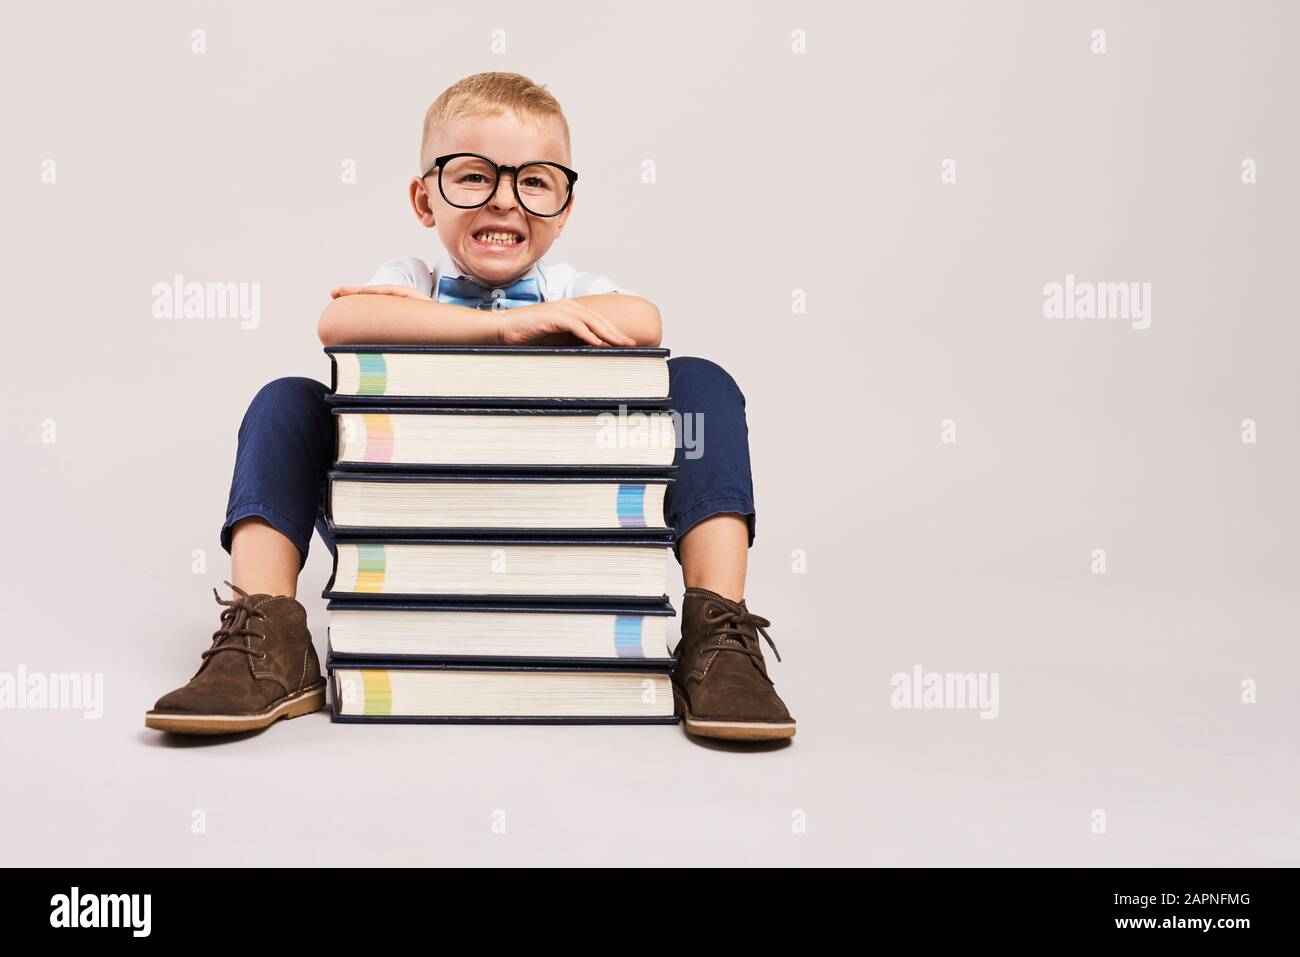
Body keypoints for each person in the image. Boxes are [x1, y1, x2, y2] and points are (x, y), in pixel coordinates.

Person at [146, 71, 795, 741]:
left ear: (565, 208)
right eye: (473, 176)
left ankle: (717, 636)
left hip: (564, 526)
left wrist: (504, 318)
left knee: (701, 384)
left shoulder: (574, 287)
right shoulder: (409, 280)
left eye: (535, 181)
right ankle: (270, 633)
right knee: (287, 400)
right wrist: (502, 330)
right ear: (424, 199)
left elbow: (645, 319)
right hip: (403, 522)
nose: (504, 202)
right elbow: (338, 324)